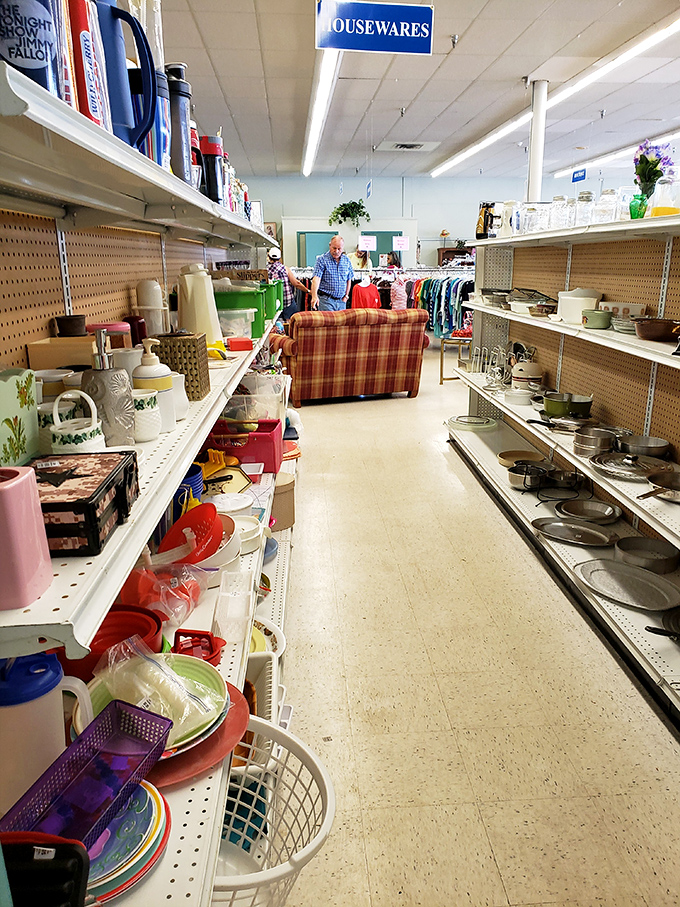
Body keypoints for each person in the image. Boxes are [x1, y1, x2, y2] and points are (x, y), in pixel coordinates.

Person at [310, 235, 354, 311]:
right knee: (328, 319)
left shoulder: (347, 260)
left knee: (341, 319)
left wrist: (346, 296)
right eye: (334, 248)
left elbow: (348, 279)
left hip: (341, 301)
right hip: (326, 301)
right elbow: (316, 279)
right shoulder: (322, 259)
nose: (336, 251)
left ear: (342, 248)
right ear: (330, 245)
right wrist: (314, 296)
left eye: (339, 249)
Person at [267, 247, 310, 320]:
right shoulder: (285, 269)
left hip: (273, 303)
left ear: (269, 256)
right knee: (291, 322)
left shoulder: (265, 270)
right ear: (280, 258)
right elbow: (296, 283)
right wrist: (308, 291)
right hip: (287, 301)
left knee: (276, 323)